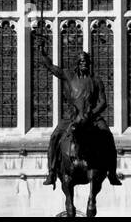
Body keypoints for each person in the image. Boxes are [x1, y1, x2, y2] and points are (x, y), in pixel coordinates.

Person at [36, 49, 122, 187]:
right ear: (77, 63)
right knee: (55, 137)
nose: (84, 63)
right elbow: (51, 67)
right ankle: (52, 172)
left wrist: (92, 113)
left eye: (86, 61)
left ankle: (112, 173)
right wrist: (43, 54)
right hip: (72, 117)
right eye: (81, 61)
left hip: (93, 118)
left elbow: (103, 102)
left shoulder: (96, 81)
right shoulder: (69, 76)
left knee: (108, 137)